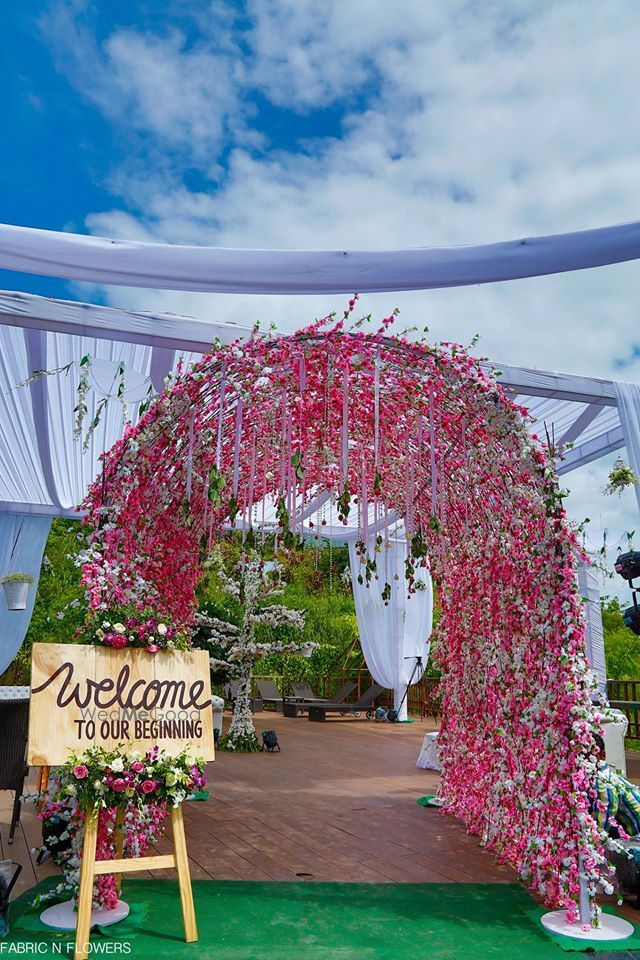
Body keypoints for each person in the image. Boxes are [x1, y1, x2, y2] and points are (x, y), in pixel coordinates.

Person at [591, 733, 640, 838]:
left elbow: (602, 829)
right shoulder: (601, 776)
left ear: (603, 755)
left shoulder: (603, 783)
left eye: (590, 757)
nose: (584, 763)